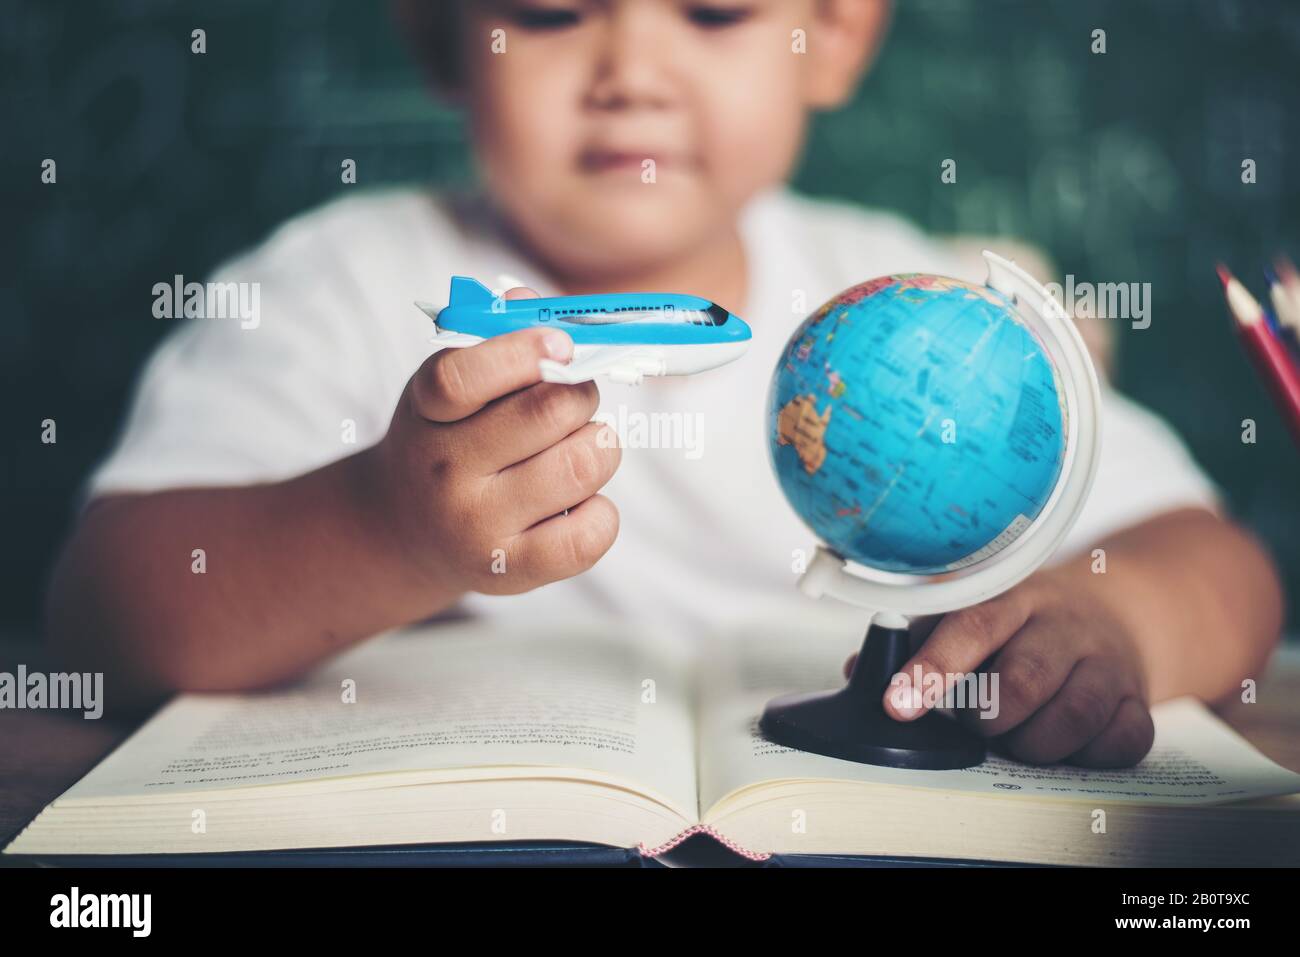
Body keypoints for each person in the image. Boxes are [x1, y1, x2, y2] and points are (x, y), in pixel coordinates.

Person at [46, 0, 1282, 767]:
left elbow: (1223, 571)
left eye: (711, 10)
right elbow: (108, 617)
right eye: (546, 13)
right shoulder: (340, 282)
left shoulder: (925, 319)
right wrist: (383, 530)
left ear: (834, 32)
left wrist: (1115, 626)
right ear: (437, 36)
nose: (630, 65)